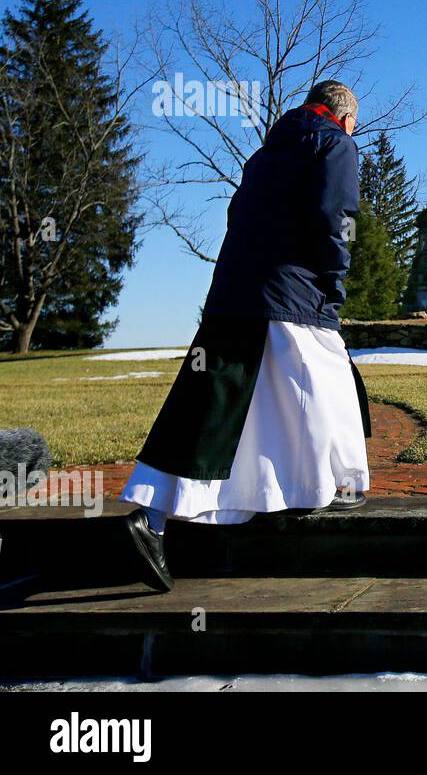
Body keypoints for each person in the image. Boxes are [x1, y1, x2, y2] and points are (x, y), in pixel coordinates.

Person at [121, 80, 372, 591]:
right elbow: (336, 218)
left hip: (233, 291)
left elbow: (237, 217)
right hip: (294, 294)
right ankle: (338, 485)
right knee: (327, 387)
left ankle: (152, 514)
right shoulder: (335, 143)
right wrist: (334, 280)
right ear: (347, 119)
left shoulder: (263, 156)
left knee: (211, 406)